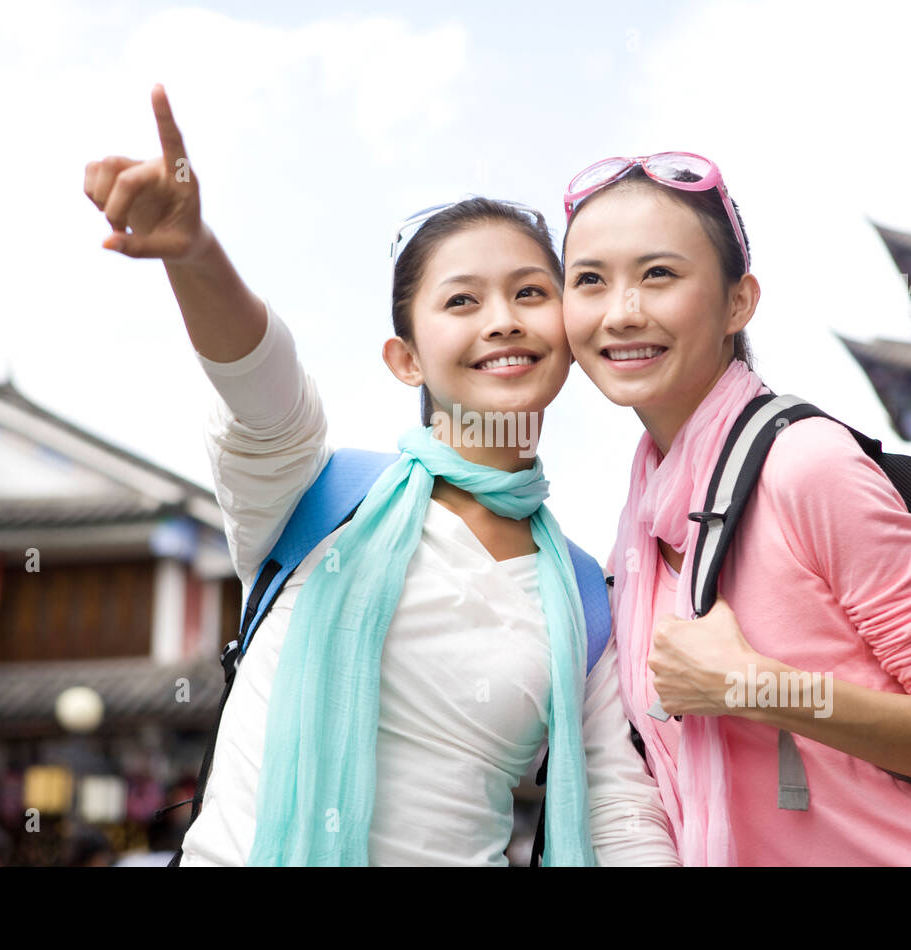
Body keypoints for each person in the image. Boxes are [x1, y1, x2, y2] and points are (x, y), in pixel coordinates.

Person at [82, 86, 678, 866]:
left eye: (530, 293)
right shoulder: (316, 497)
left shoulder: (583, 596)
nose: (502, 318)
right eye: (461, 300)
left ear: (565, 333)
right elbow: (264, 389)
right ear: (405, 357)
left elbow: (619, 813)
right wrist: (195, 254)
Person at [559, 153, 911, 866]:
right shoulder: (641, 518)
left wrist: (759, 688)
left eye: (659, 274)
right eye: (590, 280)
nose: (623, 311)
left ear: (738, 302)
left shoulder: (804, 466)